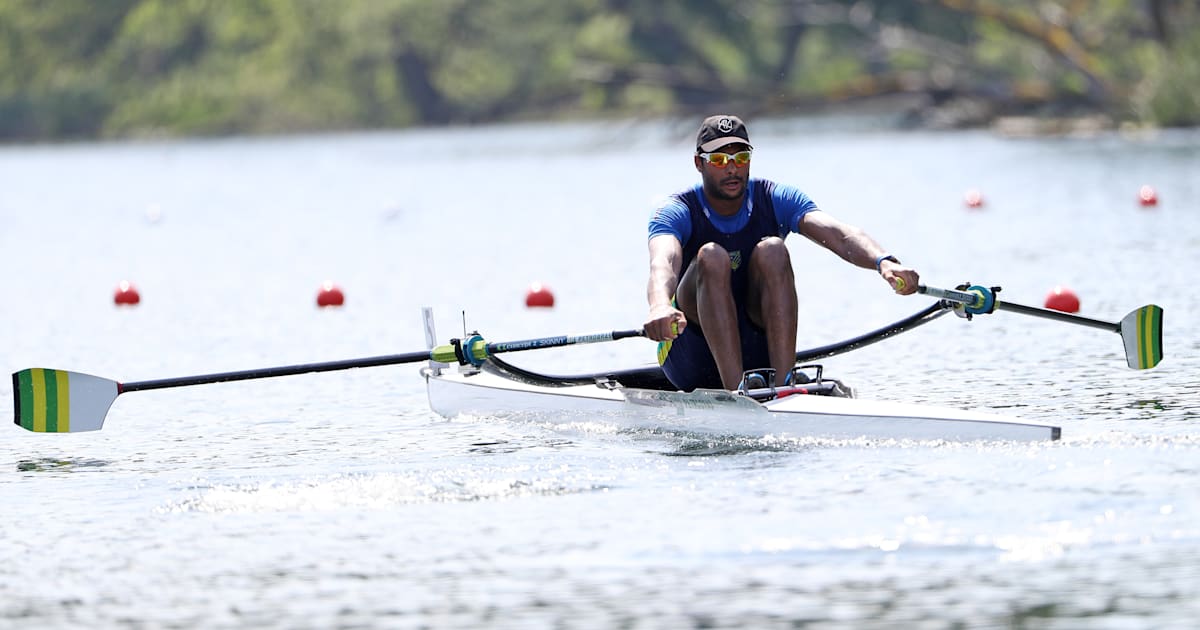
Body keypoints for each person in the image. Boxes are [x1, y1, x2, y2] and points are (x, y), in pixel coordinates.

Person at [644, 114, 920, 391]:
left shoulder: (775, 197)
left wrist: (884, 262)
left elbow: (839, 233)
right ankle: (736, 390)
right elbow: (663, 264)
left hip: (758, 345)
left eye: (740, 157)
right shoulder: (677, 211)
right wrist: (659, 306)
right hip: (691, 355)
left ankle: (785, 384)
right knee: (712, 255)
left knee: (773, 249)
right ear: (699, 163)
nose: (732, 168)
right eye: (718, 160)